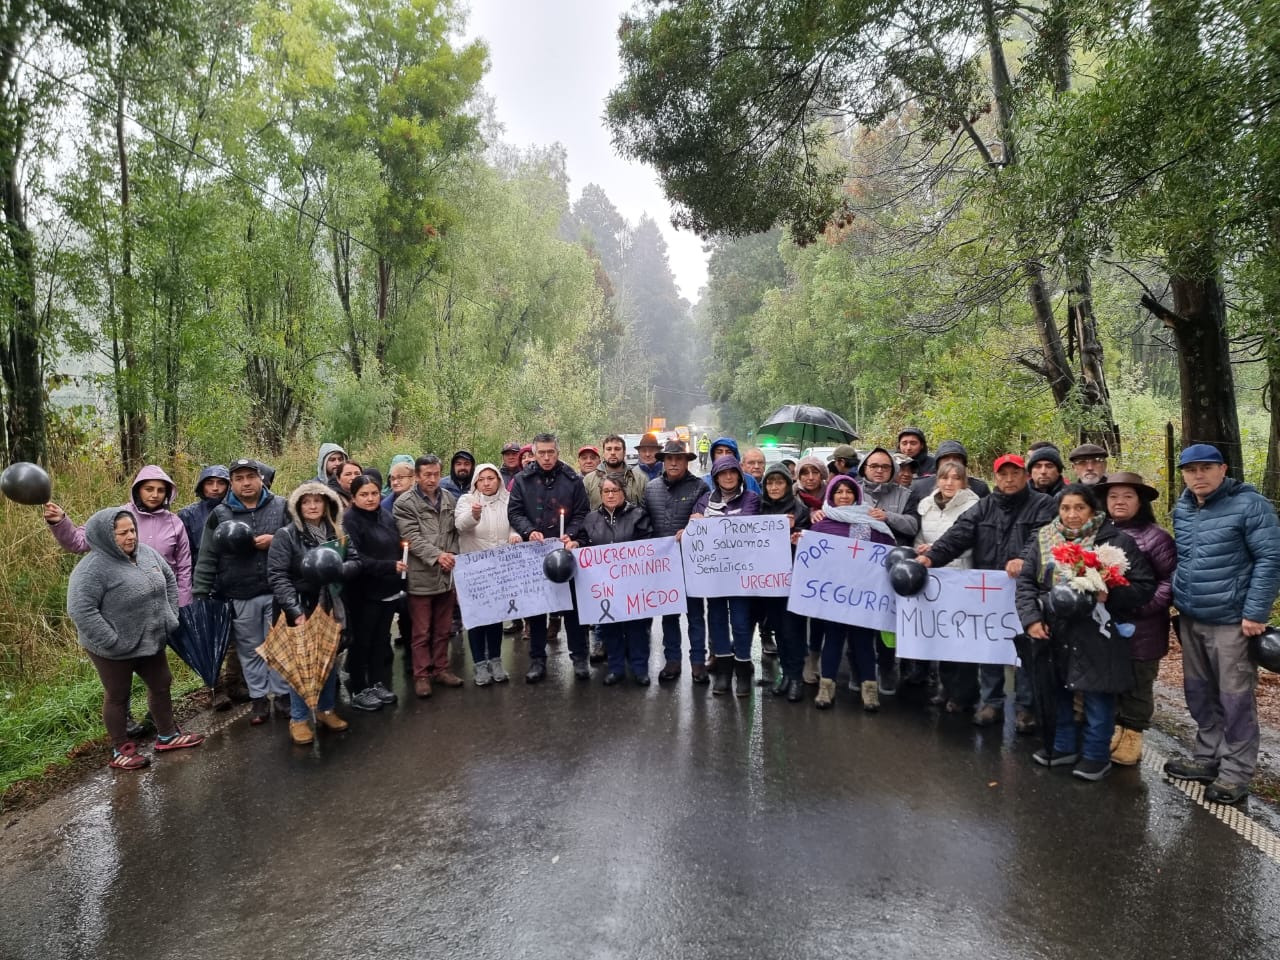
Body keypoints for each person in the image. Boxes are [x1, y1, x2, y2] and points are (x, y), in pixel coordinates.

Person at [1162, 444, 1280, 804]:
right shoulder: (1183, 508)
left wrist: (1256, 612)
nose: (1198, 475)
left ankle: (1235, 772)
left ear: (1223, 469)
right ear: (1183, 473)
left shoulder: (1249, 505)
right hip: (1191, 617)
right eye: (1190, 469)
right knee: (1200, 693)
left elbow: (1271, 557)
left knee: (1234, 698)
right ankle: (1207, 758)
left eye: (1206, 468)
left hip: (1232, 622)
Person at [1015, 483, 1155, 781]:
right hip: (1053, 627)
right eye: (1066, 508)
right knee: (1059, 689)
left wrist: (1110, 594)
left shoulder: (1115, 542)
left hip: (1097, 631)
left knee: (1096, 693)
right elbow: (1026, 582)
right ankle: (1063, 745)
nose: (1072, 514)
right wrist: (1031, 619)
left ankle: (1095, 754)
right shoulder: (1044, 539)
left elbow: (1144, 587)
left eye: (1079, 507)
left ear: (1093, 510)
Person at [917, 454, 1055, 730]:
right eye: (1002, 474)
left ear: (1025, 476)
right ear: (995, 478)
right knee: (991, 647)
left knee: (1025, 648)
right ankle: (991, 702)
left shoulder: (1044, 504)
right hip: (989, 592)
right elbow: (959, 534)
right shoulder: (985, 506)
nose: (1009, 479)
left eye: (1015, 473)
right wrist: (931, 557)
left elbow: (1043, 536)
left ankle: (1026, 708)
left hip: (1027, 589)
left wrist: (1025, 561)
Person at [66, 509, 204, 769]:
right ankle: (121, 749)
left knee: (162, 683)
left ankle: (167, 735)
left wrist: (170, 616)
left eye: (132, 530)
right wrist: (111, 640)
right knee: (118, 695)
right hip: (112, 648)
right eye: (122, 533)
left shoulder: (147, 553)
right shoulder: (91, 570)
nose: (131, 537)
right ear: (106, 536)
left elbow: (169, 580)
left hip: (150, 637)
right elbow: (81, 610)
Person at [194, 459, 292, 724]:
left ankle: (283, 696)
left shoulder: (282, 506)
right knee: (250, 650)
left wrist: (277, 539)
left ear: (261, 478)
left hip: (277, 591)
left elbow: (298, 538)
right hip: (240, 593)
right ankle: (259, 699)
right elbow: (207, 557)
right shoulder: (221, 514)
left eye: (251, 476)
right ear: (232, 483)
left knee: (280, 648)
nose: (246, 483)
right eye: (239, 478)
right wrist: (201, 594)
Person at [267, 483, 360, 745]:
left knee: (329, 660)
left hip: (331, 603)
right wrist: (295, 611)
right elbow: (277, 575)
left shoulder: (339, 533)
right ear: (297, 506)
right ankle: (298, 719)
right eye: (306, 502)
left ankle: (325, 709)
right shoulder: (286, 535)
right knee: (303, 666)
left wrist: (339, 570)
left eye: (317, 501)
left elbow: (355, 561)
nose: (312, 506)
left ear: (327, 504)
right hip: (300, 605)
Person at [1096, 471, 1176, 765]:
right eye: (1114, 496)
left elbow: (1169, 580)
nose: (1120, 502)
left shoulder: (1156, 538)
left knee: (1139, 681)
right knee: (1114, 676)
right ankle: (1116, 728)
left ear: (1140, 501)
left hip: (1145, 626)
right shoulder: (1099, 533)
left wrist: (1145, 605)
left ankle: (1133, 734)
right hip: (1108, 621)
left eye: (1128, 496)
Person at [45, 465, 193, 605]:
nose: (155, 495)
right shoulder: (116, 516)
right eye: (149, 489)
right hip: (124, 601)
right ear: (138, 490)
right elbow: (77, 542)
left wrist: (183, 604)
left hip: (165, 602)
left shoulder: (175, 523)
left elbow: (184, 567)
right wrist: (60, 521)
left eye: (161, 490)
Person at [508, 433, 592, 683]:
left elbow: (581, 512)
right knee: (536, 610)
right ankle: (536, 660)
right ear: (534, 453)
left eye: (551, 452)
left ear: (557, 452)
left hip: (565, 550)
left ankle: (579, 659)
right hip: (535, 551)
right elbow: (514, 511)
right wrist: (527, 530)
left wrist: (571, 534)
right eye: (541, 453)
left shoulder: (572, 479)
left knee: (572, 609)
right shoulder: (522, 480)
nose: (546, 457)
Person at [809, 474, 896, 710]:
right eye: (839, 492)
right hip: (834, 597)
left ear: (857, 495)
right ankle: (826, 689)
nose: (844, 495)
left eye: (849, 491)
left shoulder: (870, 523)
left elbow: (887, 552)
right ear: (831, 496)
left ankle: (869, 691)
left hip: (862, 597)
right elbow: (812, 559)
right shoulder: (822, 523)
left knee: (863, 642)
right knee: (833, 640)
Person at [914, 460, 981, 708]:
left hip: (961, 578)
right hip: (934, 579)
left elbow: (971, 543)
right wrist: (921, 549)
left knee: (961, 639)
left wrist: (938, 550)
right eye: (945, 478)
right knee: (941, 636)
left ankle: (963, 693)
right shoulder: (927, 506)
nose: (949, 483)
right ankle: (945, 686)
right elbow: (920, 537)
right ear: (937, 480)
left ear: (963, 482)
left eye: (955, 478)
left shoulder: (973, 507)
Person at [576, 475, 655, 685]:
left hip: (633, 585)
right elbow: (584, 542)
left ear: (623, 492)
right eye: (606, 491)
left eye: (615, 490)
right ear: (600, 494)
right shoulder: (591, 518)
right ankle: (616, 668)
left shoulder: (638, 515)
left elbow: (647, 544)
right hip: (605, 586)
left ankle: (640, 670)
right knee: (610, 628)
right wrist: (575, 544)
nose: (610, 495)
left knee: (637, 629)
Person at [691, 455, 760, 696]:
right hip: (714, 575)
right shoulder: (704, 501)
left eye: (732, 472)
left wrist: (711, 522)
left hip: (741, 575)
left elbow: (747, 525)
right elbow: (695, 532)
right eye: (722, 473)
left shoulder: (751, 499)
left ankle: (742, 670)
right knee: (717, 621)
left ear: (740, 475)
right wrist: (693, 525)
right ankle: (723, 671)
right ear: (716, 477)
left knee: (741, 623)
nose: (728, 477)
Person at [394, 454, 462, 697]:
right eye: (427, 475)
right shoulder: (405, 503)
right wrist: (437, 555)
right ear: (417, 476)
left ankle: (441, 668)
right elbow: (411, 537)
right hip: (421, 577)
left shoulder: (449, 498)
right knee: (421, 631)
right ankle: (421, 675)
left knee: (444, 628)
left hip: (446, 575)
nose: (432, 479)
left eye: (436, 474)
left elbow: (454, 531)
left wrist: (451, 553)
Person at [644, 439, 710, 684]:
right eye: (669, 458)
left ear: (686, 461)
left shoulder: (700, 487)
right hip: (663, 565)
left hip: (692, 563)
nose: (673, 462)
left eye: (678, 458)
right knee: (669, 615)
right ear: (662, 461)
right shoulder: (651, 488)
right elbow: (644, 523)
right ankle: (672, 660)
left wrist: (697, 524)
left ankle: (698, 662)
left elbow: (706, 520)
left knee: (695, 614)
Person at [857, 447, 920, 695]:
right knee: (859, 620)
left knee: (887, 621)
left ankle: (886, 668)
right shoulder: (853, 491)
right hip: (861, 566)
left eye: (885, 467)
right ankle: (860, 670)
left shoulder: (906, 494)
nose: (879, 471)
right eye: (874, 466)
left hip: (893, 565)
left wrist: (887, 517)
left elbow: (913, 525)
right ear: (864, 468)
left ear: (893, 470)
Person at [342, 475, 405, 711]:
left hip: (388, 590)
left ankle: (377, 682)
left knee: (381, 640)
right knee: (362, 642)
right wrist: (388, 566)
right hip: (363, 593)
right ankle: (359, 688)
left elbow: (394, 543)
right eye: (364, 495)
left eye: (374, 493)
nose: (370, 499)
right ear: (354, 497)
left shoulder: (385, 515)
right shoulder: (350, 521)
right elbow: (357, 557)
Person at [454, 462, 521, 685]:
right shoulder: (467, 500)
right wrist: (473, 515)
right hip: (475, 570)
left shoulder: (508, 499)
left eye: (491, 478)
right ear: (475, 482)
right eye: (481, 479)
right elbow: (460, 526)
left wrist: (514, 534)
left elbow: (515, 521)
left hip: (500, 568)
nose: (486, 483)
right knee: (477, 619)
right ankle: (479, 664)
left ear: (498, 480)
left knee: (495, 617)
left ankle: (496, 660)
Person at [757, 464, 811, 701]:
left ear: (788, 485)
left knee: (793, 631)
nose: (774, 487)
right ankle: (786, 676)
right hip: (769, 583)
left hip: (793, 582)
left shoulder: (799, 510)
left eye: (779, 482)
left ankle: (796, 677)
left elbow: (811, 544)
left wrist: (797, 533)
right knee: (778, 629)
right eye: (770, 483)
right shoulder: (759, 509)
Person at [178, 465, 230, 564]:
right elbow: (184, 553)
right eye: (209, 483)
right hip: (201, 570)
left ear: (228, 486)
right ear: (202, 486)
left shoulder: (237, 510)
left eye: (221, 483)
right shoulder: (188, 514)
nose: (215, 488)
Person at [909, 441, 990, 499]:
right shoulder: (919, 486)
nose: (951, 462)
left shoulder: (979, 488)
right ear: (938, 463)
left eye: (956, 458)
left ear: (964, 464)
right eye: (946, 458)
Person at [584, 434, 647, 508]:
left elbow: (646, 511)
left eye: (617, 449)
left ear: (624, 452)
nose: (613, 452)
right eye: (609, 449)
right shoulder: (589, 480)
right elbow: (583, 511)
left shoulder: (640, 480)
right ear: (603, 453)